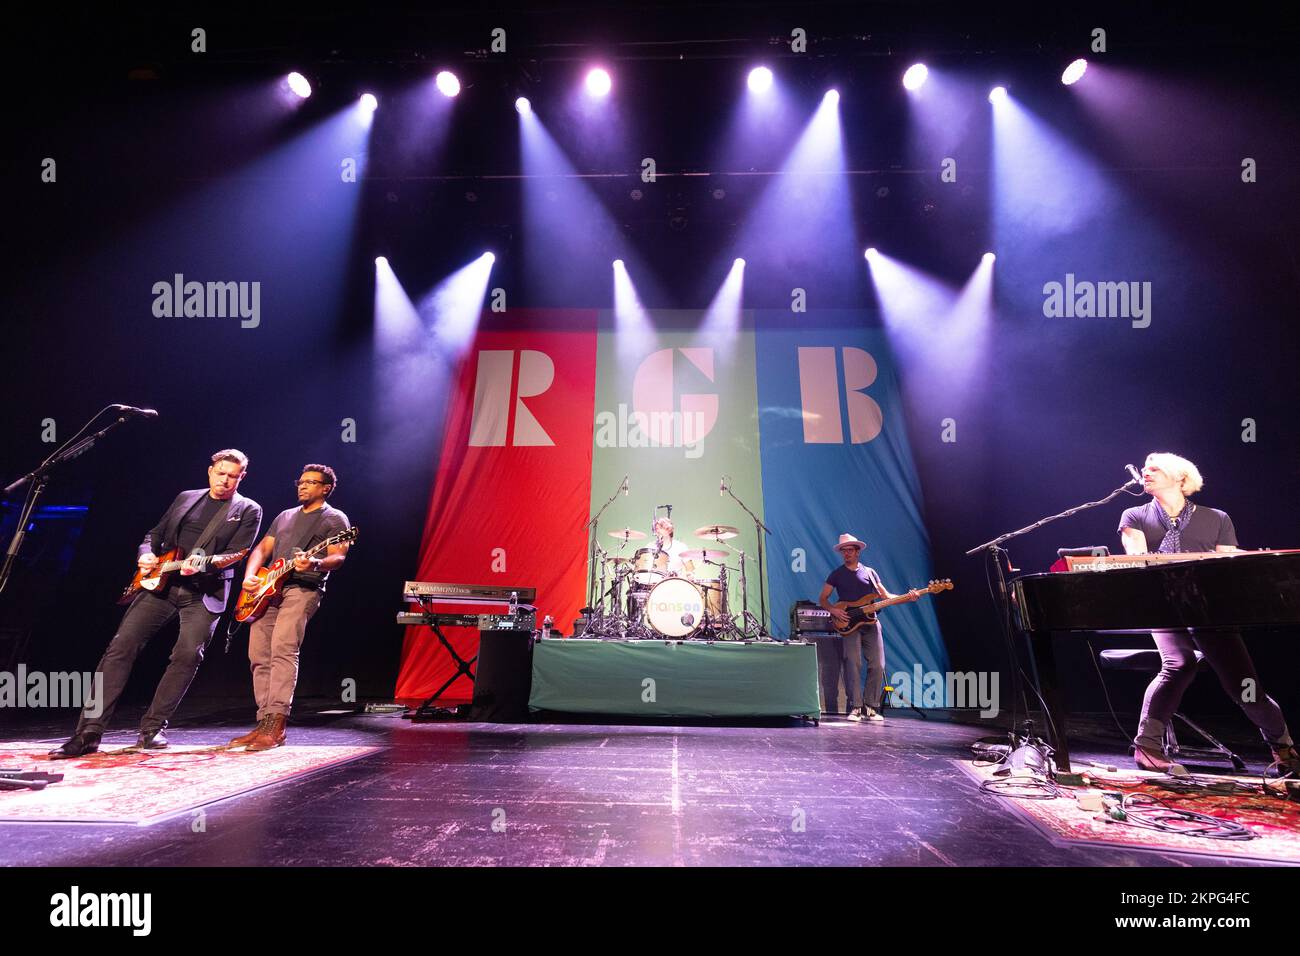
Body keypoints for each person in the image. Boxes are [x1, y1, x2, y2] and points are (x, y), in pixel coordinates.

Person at [50, 449, 262, 757]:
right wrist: (145, 554)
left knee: (188, 655)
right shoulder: (187, 497)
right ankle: (88, 733)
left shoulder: (248, 509)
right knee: (120, 648)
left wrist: (203, 565)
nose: (225, 481)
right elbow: (154, 534)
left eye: (233, 476)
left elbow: (238, 552)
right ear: (210, 471)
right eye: (220, 474)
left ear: (241, 477)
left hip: (204, 592)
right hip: (161, 585)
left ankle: (153, 729)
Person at [1119, 451, 1298, 776]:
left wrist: (1262, 559)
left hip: (1209, 609)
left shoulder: (1217, 518)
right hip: (1163, 605)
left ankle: (1283, 746)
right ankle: (1146, 746)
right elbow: (1139, 559)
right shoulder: (1134, 515)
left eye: (1154, 468)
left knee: (1247, 688)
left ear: (1180, 478)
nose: (1145, 472)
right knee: (1180, 663)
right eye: (1144, 468)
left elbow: (1227, 563)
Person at [228, 465, 351, 752]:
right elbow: (261, 549)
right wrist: (250, 576)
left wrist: (316, 563)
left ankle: (277, 724)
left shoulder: (335, 519)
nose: (303, 486)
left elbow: (338, 557)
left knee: (283, 648)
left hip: (302, 588)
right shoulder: (284, 516)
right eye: (301, 481)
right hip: (268, 591)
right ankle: (263, 722)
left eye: (311, 483)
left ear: (326, 488)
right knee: (258, 655)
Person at [818, 533, 916, 722]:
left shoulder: (870, 572)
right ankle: (855, 707)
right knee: (853, 662)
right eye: (843, 551)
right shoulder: (836, 574)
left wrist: (908, 596)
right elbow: (823, 598)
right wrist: (834, 611)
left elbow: (886, 597)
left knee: (878, 664)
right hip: (848, 624)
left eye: (850, 550)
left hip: (871, 623)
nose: (846, 554)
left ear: (857, 551)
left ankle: (870, 707)